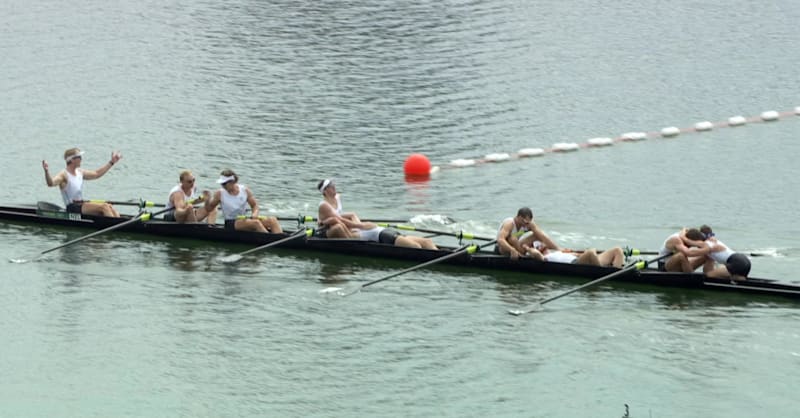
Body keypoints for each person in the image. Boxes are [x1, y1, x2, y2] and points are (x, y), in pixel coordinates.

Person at [315, 178, 437, 249]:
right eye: (331, 186)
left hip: (377, 231)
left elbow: (346, 216)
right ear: (325, 191)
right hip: (378, 235)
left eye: (333, 184)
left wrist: (360, 225)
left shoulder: (337, 198)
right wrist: (362, 226)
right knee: (416, 247)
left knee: (427, 242)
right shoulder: (324, 205)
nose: (334, 186)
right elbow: (338, 220)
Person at [42, 147, 122, 217]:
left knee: (109, 206)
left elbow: (97, 174)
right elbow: (51, 183)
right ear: (72, 160)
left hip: (81, 205)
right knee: (104, 207)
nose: (81, 159)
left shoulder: (80, 172)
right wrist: (46, 171)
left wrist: (112, 162)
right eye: (79, 157)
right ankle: (115, 224)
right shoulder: (64, 175)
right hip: (72, 207)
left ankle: (118, 222)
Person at [202, 169, 282, 233]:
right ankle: (271, 240)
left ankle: (280, 238)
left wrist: (255, 214)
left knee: (272, 220)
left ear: (233, 182)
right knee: (256, 223)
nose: (223, 186)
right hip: (231, 223)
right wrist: (207, 200)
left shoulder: (244, 190)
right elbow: (209, 209)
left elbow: (254, 205)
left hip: (243, 220)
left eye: (224, 184)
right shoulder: (219, 193)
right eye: (222, 184)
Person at [495, 207, 559, 261]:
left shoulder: (528, 224)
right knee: (512, 238)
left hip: (516, 245)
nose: (527, 225)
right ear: (519, 217)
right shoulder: (509, 224)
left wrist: (558, 249)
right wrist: (512, 250)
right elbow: (500, 240)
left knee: (536, 236)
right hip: (502, 248)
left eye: (528, 222)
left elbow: (542, 236)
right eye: (525, 222)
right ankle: (526, 254)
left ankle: (548, 253)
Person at [524, 240, 625, 268]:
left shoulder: (558, 252)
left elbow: (577, 254)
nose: (542, 245)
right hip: (576, 264)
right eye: (538, 246)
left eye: (541, 244)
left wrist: (580, 253)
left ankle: (617, 270)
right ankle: (603, 272)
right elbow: (536, 255)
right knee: (591, 252)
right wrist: (528, 249)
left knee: (617, 249)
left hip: (586, 259)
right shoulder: (545, 258)